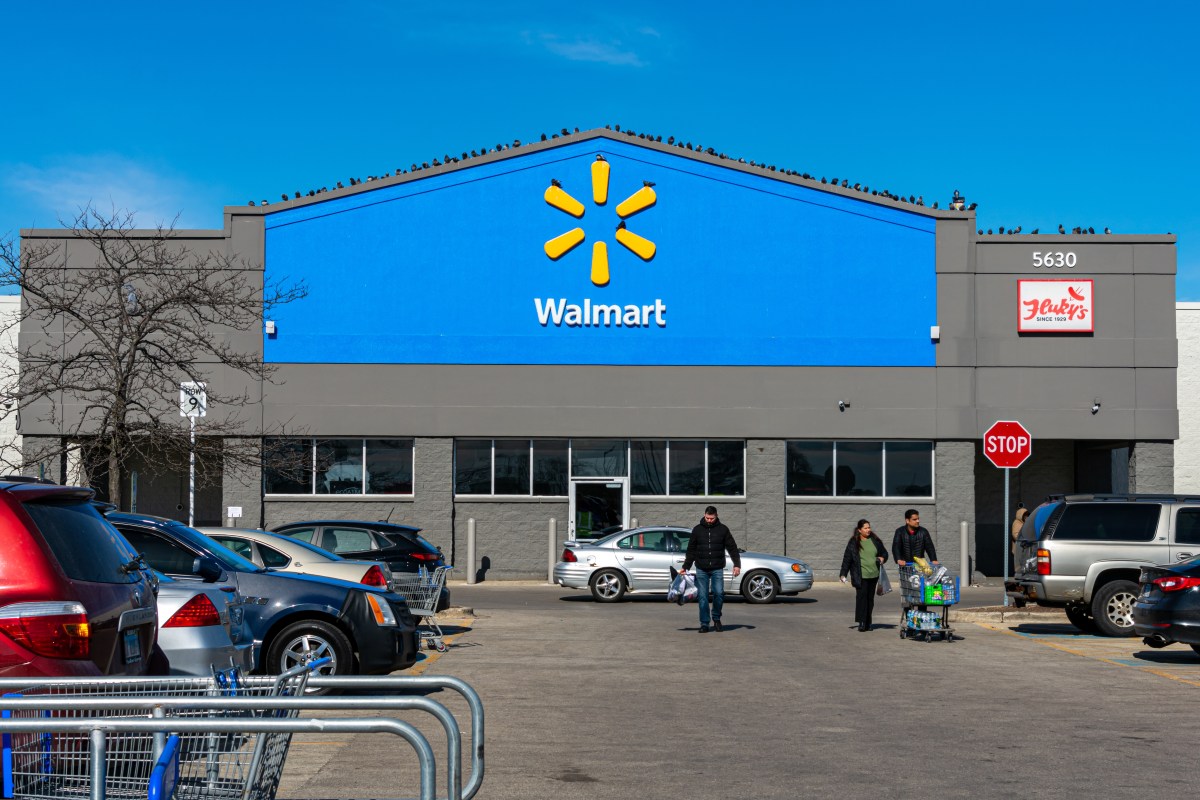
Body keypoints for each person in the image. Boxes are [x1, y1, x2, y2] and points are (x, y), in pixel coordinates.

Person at [681, 505, 741, 632]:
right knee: (703, 597)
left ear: (716, 516)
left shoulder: (723, 530)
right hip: (701, 569)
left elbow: (732, 547)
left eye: (711, 518)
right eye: (707, 518)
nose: (709, 520)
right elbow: (691, 550)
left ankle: (716, 618)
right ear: (704, 515)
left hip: (717, 568)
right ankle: (704, 623)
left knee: (719, 593)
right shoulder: (697, 530)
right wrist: (685, 567)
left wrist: (737, 564)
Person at [839, 519, 889, 631]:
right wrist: (843, 574)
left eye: (869, 527)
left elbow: (884, 553)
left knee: (870, 599)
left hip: (874, 574)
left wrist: (883, 558)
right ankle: (861, 622)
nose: (868, 530)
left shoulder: (874, 540)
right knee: (862, 598)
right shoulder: (853, 542)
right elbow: (847, 559)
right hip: (860, 575)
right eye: (865, 528)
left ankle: (868, 622)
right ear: (859, 530)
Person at [1010, 506, 1029, 572]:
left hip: (1023, 546)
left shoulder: (1024, 523)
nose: (1026, 517)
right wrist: (1023, 539)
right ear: (1021, 515)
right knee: (1019, 563)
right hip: (1019, 546)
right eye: (1025, 516)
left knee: (1023, 562)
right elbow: (1015, 534)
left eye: (1027, 516)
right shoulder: (1017, 523)